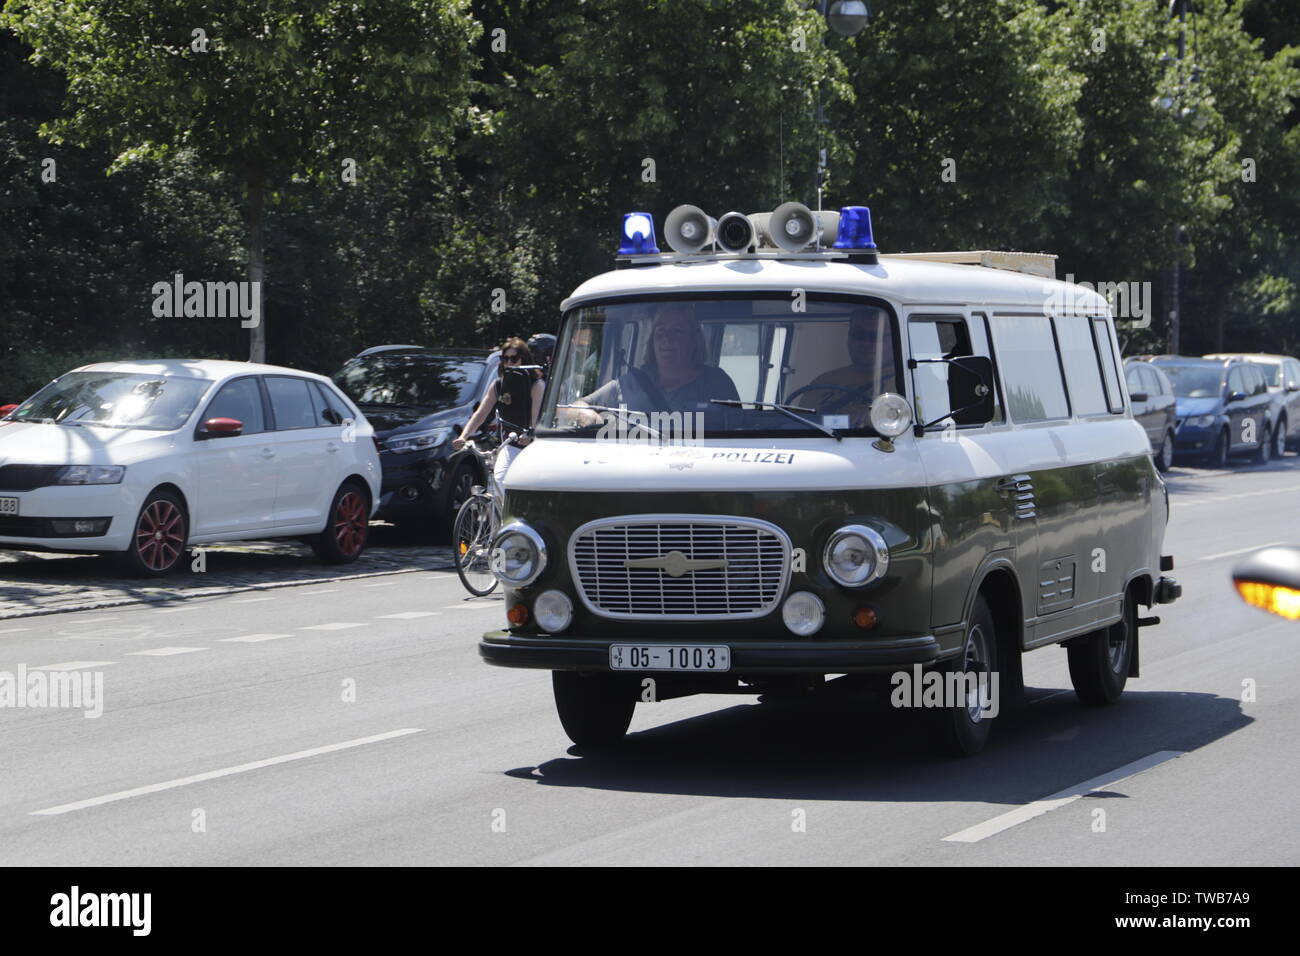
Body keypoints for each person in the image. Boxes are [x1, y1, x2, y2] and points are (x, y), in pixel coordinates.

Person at [564, 304, 739, 427]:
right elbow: (573, 407)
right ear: (652, 341)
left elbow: (740, 426)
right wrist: (585, 414)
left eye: (677, 331)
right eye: (660, 331)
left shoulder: (716, 382)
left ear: (694, 340)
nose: (667, 338)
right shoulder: (628, 384)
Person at [453, 337, 546, 498]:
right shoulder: (498, 385)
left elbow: (535, 417)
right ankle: (497, 521)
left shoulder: (536, 385)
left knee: (528, 490)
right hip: (509, 444)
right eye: (505, 359)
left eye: (514, 358)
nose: (509, 362)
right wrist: (463, 436)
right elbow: (480, 414)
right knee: (498, 482)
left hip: (532, 446)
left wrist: (529, 434)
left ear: (523, 359)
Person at [798, 306, 897, 425]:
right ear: (849, 337)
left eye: (875, 336)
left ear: (893, 339)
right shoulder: (822, 382)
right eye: (859, 335)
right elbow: (803, 422)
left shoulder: (905, 383)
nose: (865, 343)